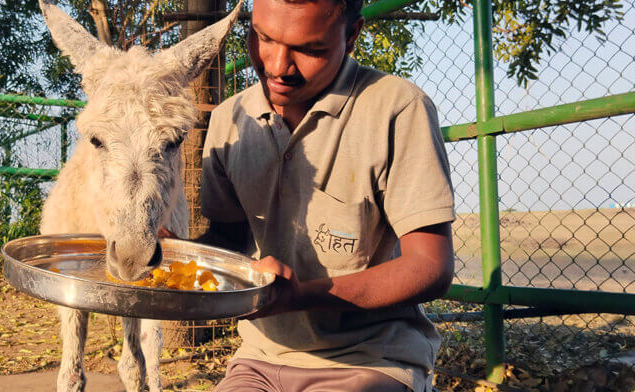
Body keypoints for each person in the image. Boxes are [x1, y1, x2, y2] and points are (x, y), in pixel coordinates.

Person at [164, 0, 456, 390]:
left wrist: (299, 296)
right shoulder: (228, 119)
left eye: (310, 50)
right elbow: (228, 242)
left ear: (351, 35)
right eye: (263, 37)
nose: (278, 66)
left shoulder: (398, 108)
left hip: (371, 359)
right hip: (261, 356)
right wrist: (174, 258)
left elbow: (431, 267)